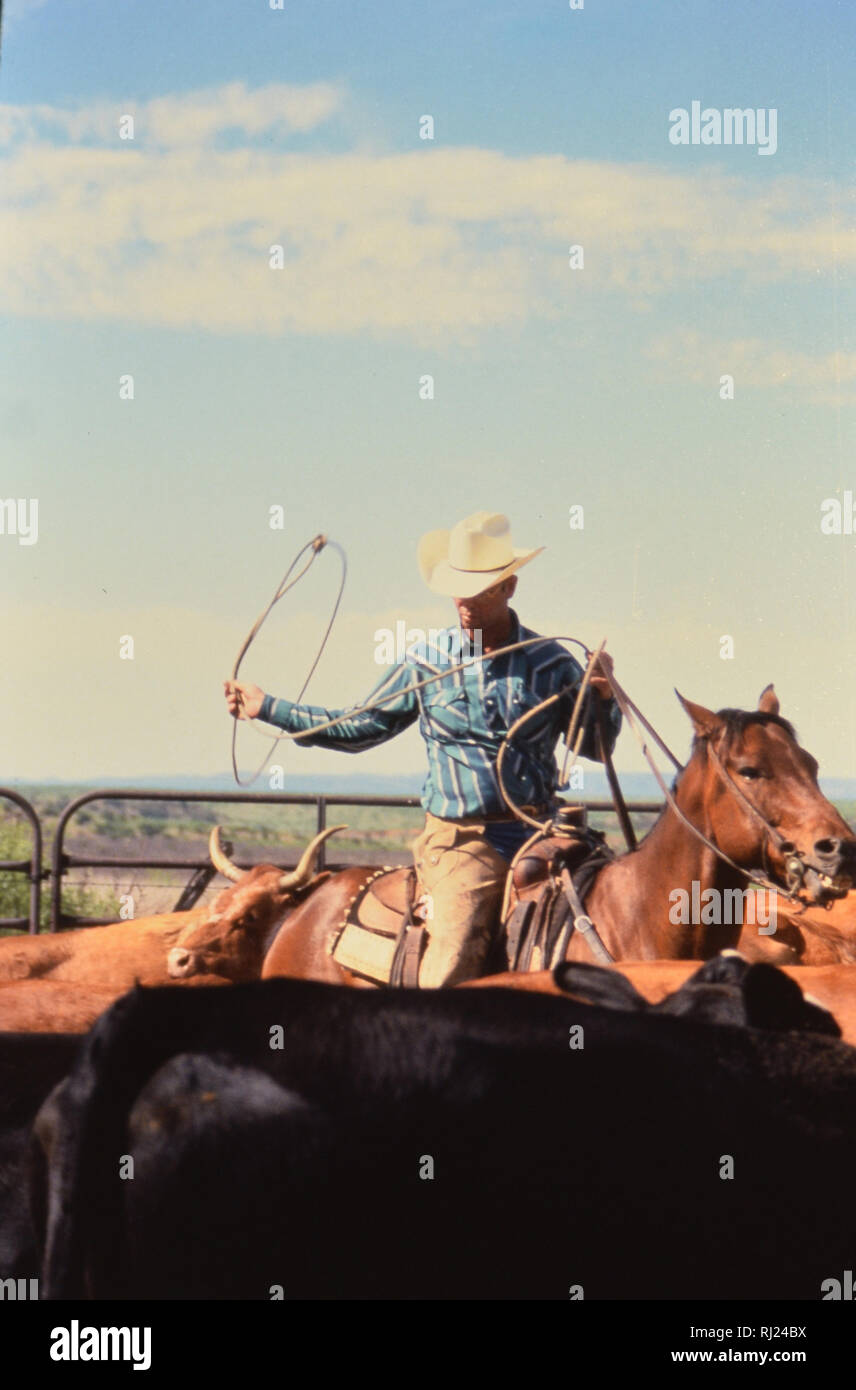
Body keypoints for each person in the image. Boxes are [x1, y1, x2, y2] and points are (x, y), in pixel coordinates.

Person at [223, 511, 621, 987]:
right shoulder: (426, 663)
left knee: (611, 916)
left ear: (509, 588)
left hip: (543, 830)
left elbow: (594, 747)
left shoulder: (553, 662)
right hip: (463, 841)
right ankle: (435, 1035)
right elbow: (361, 726)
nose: (465, 601)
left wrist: (602, 696)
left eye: (480, 587)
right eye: (458, 587)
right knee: (453, 957)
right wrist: (270, 707)